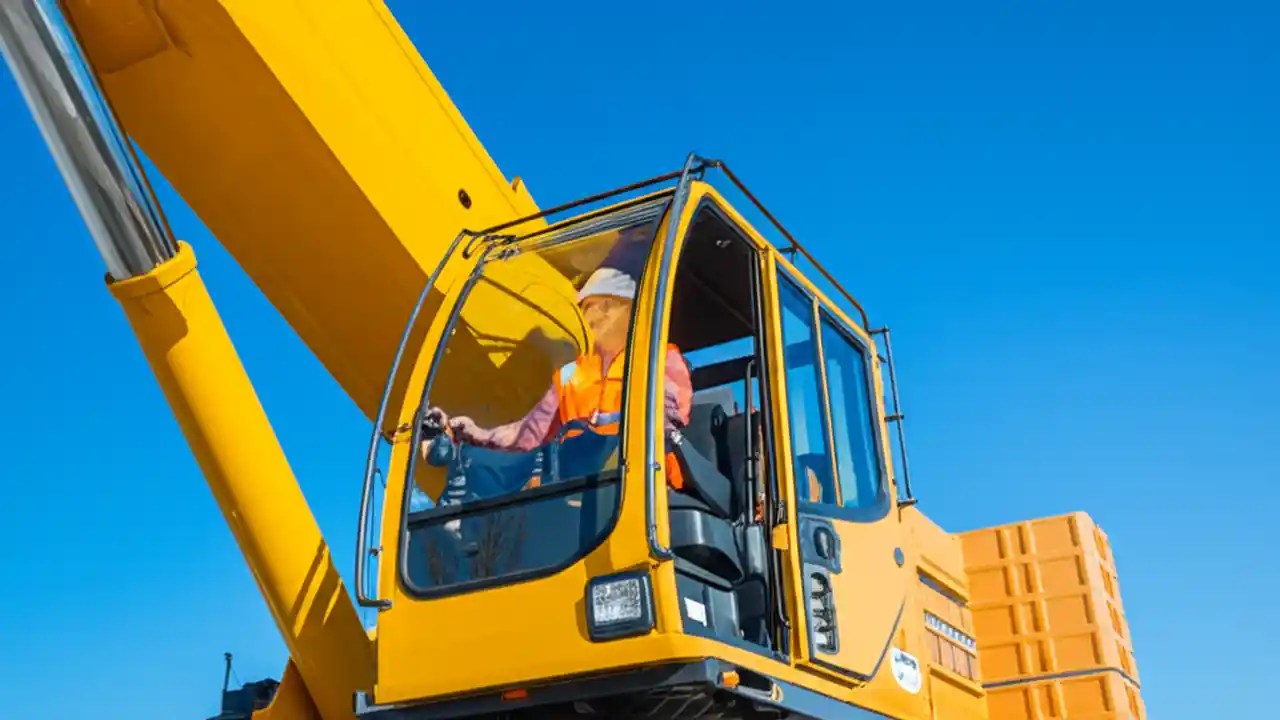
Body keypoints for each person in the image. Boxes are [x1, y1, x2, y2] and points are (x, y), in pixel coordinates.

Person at [423, 266, 693, 490]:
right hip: (579, 494)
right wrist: (477, 432)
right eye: (588, 307)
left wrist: (592, 439)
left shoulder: (659, 359)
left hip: (650, 491)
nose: (592, 316)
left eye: (603, 306)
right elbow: (526, 434)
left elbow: (666, 416)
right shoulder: (570, 374)